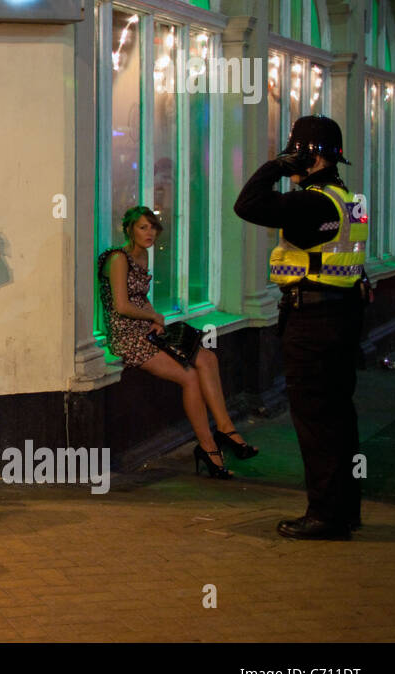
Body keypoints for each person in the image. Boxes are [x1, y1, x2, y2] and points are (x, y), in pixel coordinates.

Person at [235, 115, 365, 540]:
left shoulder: (314, 202)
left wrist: (275, 166)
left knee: (315, 420)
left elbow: (247, 204)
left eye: (295, 153)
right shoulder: (350, 199)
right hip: (341, 316)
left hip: (313, 323)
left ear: (307, 156)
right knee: (339, 417)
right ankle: (344, 510)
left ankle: (325, 515)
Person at [98, 205, 254, 480]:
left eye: (153, 227)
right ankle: (208, 449)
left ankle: (226, 428)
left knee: (208, 358)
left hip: (146, 327)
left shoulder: (143, 256)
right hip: (126, 335)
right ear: (129, 229)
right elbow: (122, 305)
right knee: (189, 377)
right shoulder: (117, 258)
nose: (150, 233)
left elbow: (139, 296)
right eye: (143, 227)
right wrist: (154, 315)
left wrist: (155, 320)